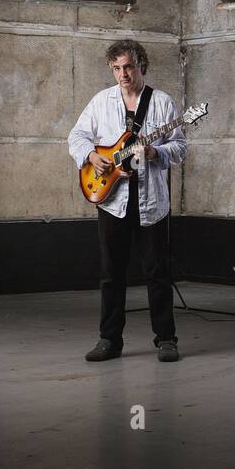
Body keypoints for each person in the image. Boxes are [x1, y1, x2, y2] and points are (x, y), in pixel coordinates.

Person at [68, 39, 185, 362]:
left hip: (152, 201)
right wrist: (92, 155)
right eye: (117, 68)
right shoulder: (101, 101)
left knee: (157, 272)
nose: (123, 74)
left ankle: (166, 339)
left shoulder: (162, 103)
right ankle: (109, 340)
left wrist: (155, 151)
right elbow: (75, 136)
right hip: (112, 199)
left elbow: (180, 147)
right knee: (111, 273)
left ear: (141, 65)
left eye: (129, 67)